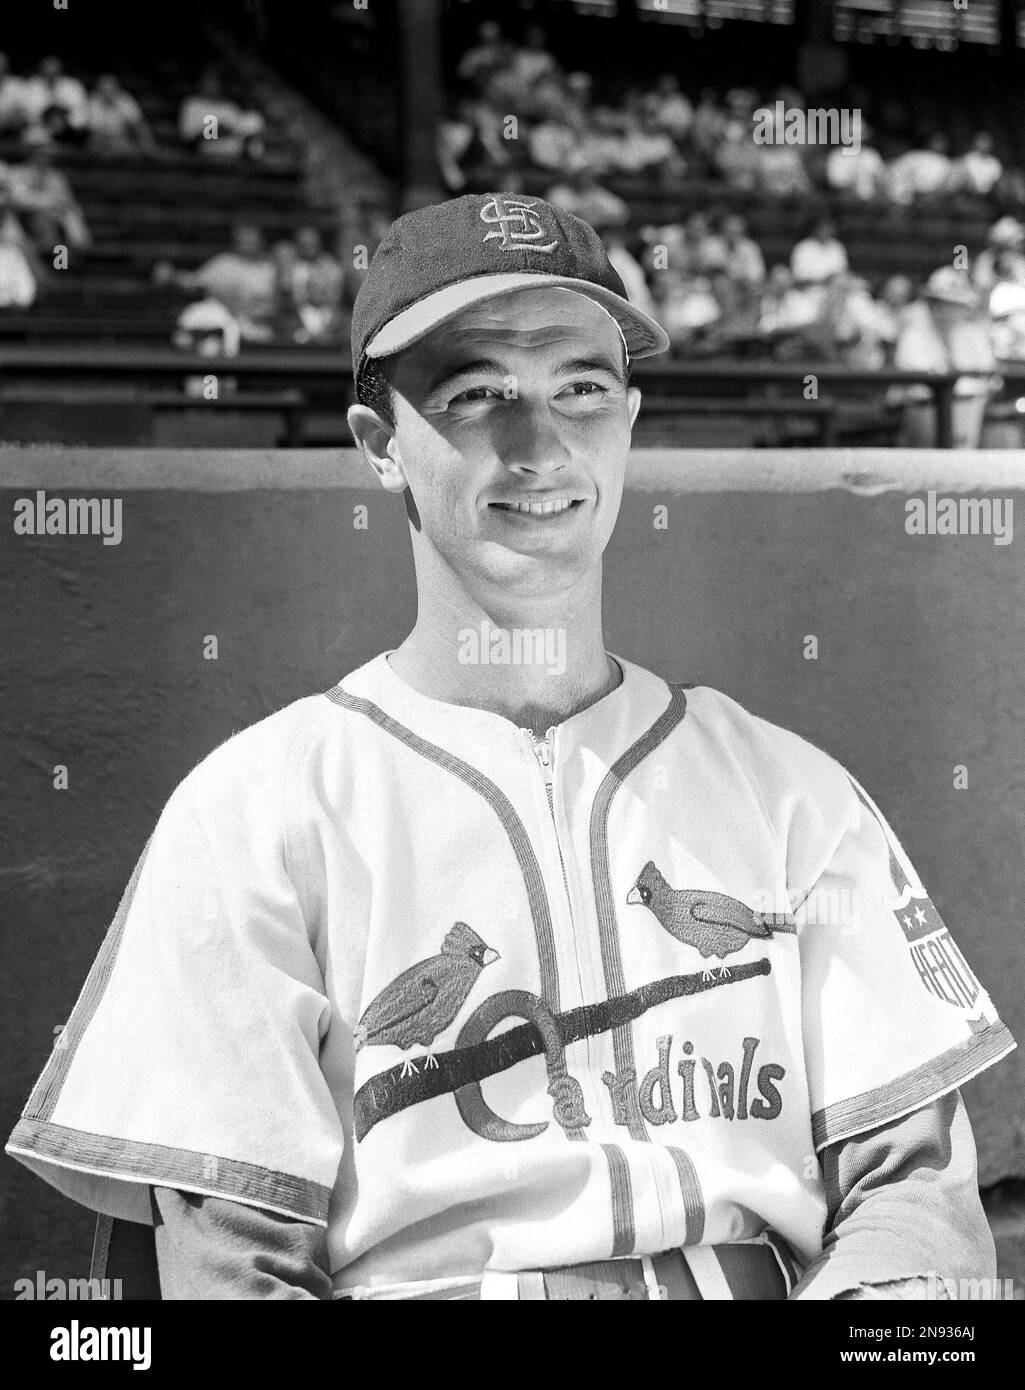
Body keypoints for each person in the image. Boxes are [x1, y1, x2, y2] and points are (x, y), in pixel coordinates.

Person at [7, 192, 1014, 1302]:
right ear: (381, 447)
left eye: (579, 389)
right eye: (478, 393)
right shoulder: (255, 813)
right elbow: (229, 1269)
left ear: (626, 422)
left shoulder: (791, 794)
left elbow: (911, 1200)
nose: (539, 445)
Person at [893, 266, 997, 448]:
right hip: (925, 410)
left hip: (969, 409)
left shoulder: (974, 334)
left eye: (956, 305)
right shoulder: (914, 333)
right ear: (931, 304)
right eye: (943, 303)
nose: (949, 310)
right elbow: (912, 382)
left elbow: (988, 374)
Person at [155, 223, 277, 343]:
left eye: (250, 239)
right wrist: (172, 275)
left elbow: (278, 305)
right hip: (222, 323)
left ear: (261, 241)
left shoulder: (271, 268)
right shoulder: (223, 263)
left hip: (259, 327)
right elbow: (193, 282)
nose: (246, 243)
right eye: (242, 239)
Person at [5, 140, 91, 249]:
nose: (46, 159)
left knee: (72, 217)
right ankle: (54, 259)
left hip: (56, 214)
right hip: (25, 215)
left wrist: (56, 206)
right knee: (44, 222)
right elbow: (18, 199)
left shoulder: (57, 176)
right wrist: (47, 203)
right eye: (42, 154)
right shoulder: (16, 172)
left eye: (49, 155)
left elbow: (65, 199)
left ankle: (77, 252)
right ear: (33, 153)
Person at [179, 68, 265, 159]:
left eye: (215, 81)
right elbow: (187, 139)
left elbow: (240, 132)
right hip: (204, 159)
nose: (212, 85)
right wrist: (215, 131)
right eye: (209, 81)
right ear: (201, 82)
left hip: (235, 159)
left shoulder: (230, 107)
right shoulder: (192, 104)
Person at [20, 55, 88, 143]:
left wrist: (63, 124)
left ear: (61, 70)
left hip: (69, 133)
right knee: (32, 136)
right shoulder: (31, 85)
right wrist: (46, 123)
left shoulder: (74, 86)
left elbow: (81, 116)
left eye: (54, 71)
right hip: (38, 130)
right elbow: (26, 114)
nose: (51, 74)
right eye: (47, 71)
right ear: (41, 70)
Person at [86, 73, 155, 155]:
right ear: (99, 90)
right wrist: (114, 144)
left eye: (111, 90)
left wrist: (147, 144)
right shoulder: (93, 101)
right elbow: (95, 133)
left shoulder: (125, 99)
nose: (108, 94)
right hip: (99, 141)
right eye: (104, 90)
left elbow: (139, 124)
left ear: (117, 89)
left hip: (122, 139)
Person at [790, 217, 848, 286]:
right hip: (809, 288)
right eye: (823, 228)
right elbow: (799, 275)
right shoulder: (803, 247)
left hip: (834, 287)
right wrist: (822, 281)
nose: (826, 230)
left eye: (828, 228)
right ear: (815, 229)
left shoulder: (837, 246)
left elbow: (842, 271)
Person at [949, 132, 1003, 199]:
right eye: (982, 141)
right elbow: (961, 180)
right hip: (968, 195)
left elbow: (996, 182)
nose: (985, 145)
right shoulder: (967, 159)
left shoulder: (995, 162)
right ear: (976, 142)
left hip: (989, 197)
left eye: (987, 142)